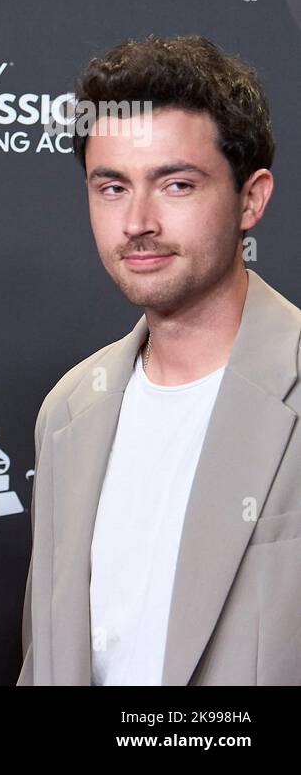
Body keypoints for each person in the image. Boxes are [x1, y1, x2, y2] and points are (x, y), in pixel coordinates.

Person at [20, 35, 300, 685]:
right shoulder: (68, 409)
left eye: (176, 184)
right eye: (112, 187)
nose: (137, 221)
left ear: (251, 199)